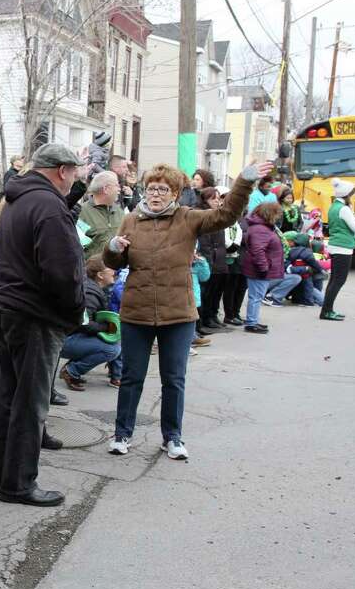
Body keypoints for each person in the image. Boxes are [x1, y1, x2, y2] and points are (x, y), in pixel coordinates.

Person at [104, 161, 267, 459]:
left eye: (162, 189)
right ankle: (122, 434)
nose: (155, 194)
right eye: (151, 188)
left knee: (174, 378)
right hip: (136, 312)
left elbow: (227, 215)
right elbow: (116, 264)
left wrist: (244, 182)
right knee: (131, 377)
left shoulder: (187, 218)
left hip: (177, 314)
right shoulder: (131, 220)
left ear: (175, 193)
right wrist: (112, 248)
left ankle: (172, 437)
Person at [0, 143, 86, 506]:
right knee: (30, 403)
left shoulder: (19, 199)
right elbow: (62, 272)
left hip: (9, 307)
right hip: (35, 314)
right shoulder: (48, 206)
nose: (74, 179)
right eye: (73, 172)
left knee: (6, 399)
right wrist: (74, 312)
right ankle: (18, 484)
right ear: (61, 170)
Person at [58, 256, 122, 391]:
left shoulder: (91, 287)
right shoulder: (90, 293)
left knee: (112, 346)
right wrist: (105, 328)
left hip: (66, 337)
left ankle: (72, 368)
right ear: (100, 275)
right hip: (64, 341)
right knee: (112, 349)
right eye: (110, 268)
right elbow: (83, 323)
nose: (114, 272)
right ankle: (71, 371)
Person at [241, 201, 299, 332]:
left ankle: (253, 320)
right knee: (256, 296)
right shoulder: (261, 229)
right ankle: (251, 323)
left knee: (256, 296)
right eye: (277, 214)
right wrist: (264, 267)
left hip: (259, 269)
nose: (278, 217)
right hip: (259, 270)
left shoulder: (260, 227)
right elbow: (258, 250)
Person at [321, 178, 355, 321]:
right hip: (343, 248)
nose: (352, 197)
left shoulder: (334, 206)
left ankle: (327, 310)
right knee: (338, 281)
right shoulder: (344, 209)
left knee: (334, 280)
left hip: (336, 246)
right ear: (346, 195)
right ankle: (326, 312)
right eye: (351, 195)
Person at [196, 188, 229, 330]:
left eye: (218, 198)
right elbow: (205, 242)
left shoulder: (217, 214)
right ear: (205, 201)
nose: (217, 201)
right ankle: (200, 323)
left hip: (218, 259)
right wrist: (208, 260)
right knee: (203, 295)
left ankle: (209, 317)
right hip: (206, 259)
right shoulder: (202, 215)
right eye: (213, 198)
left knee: (213, 293)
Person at [81, 171, 124, 260]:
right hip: (92, 271)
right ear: (106, 189)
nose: (119, 189)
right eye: (117, 185)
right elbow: (76, 248)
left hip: (116, 270)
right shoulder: (82, 213)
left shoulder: (119, 212)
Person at [221, 209, 247, 326]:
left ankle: (236, 313)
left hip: (243, 259)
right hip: (232, 258)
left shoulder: (245, 220)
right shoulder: (228, 220)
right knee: (231, 288)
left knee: (241, 288)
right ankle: (229, 315)